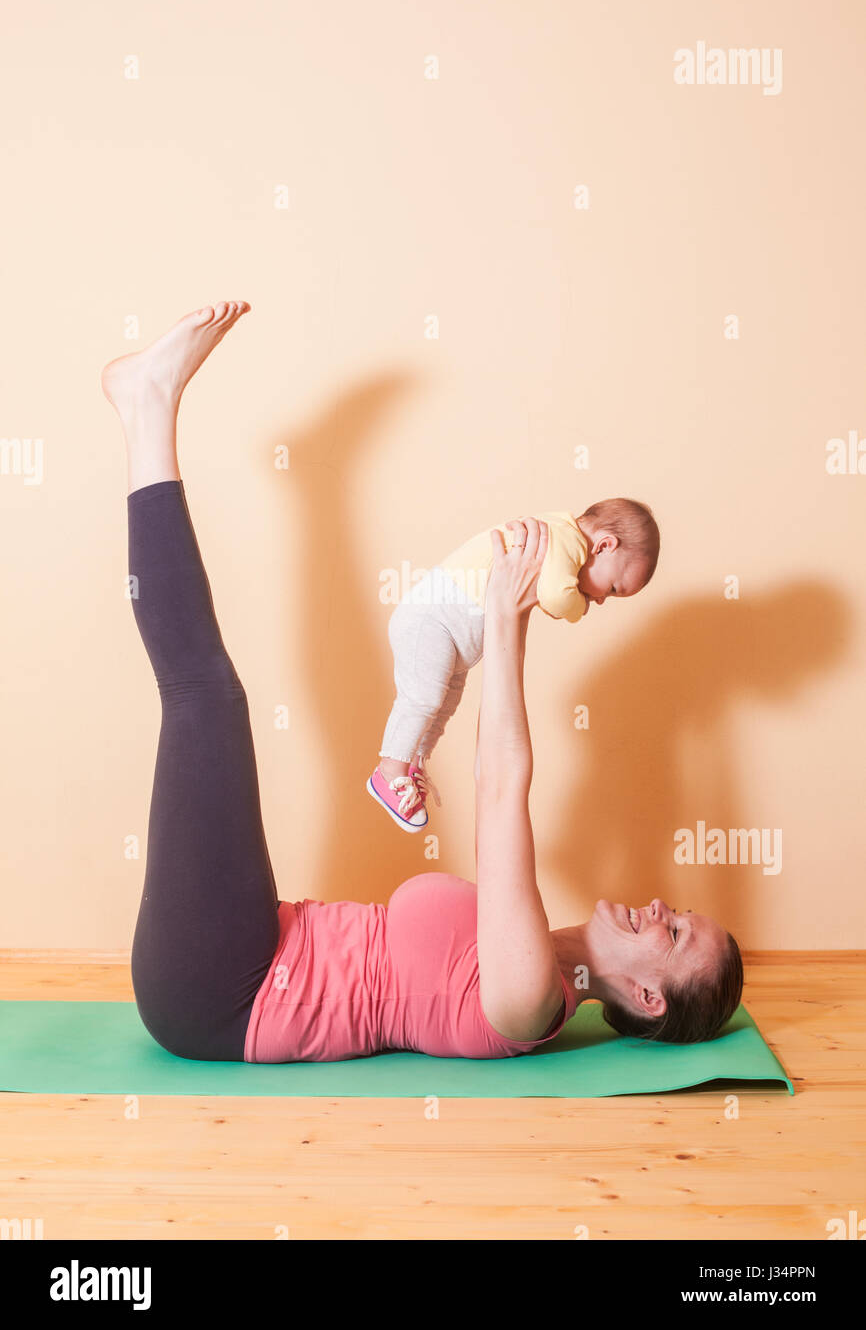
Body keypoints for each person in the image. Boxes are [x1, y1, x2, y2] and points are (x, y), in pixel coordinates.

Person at [101, 301, 743, 1064]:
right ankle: (188, 425)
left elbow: (501, 787)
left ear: (647, 997)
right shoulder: (531, 944)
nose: (663, 908)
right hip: (256, 941)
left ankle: (148, 409)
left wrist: (505, 617)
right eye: (681, 914)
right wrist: (511, 607)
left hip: (226, 992)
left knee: (207, 703)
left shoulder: (530, 997)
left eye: (677, 934)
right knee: (215, 703)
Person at [368, 497, 660, 831]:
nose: (602, 599)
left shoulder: (563, 541)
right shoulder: (566, 540)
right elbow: (555, 597)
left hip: (451, 640)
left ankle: (413, 764)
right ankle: (388, 771)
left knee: (445, 705)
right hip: (430, 622)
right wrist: (578, 606)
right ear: (605, 545)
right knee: (423, 699)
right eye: (613, 588)